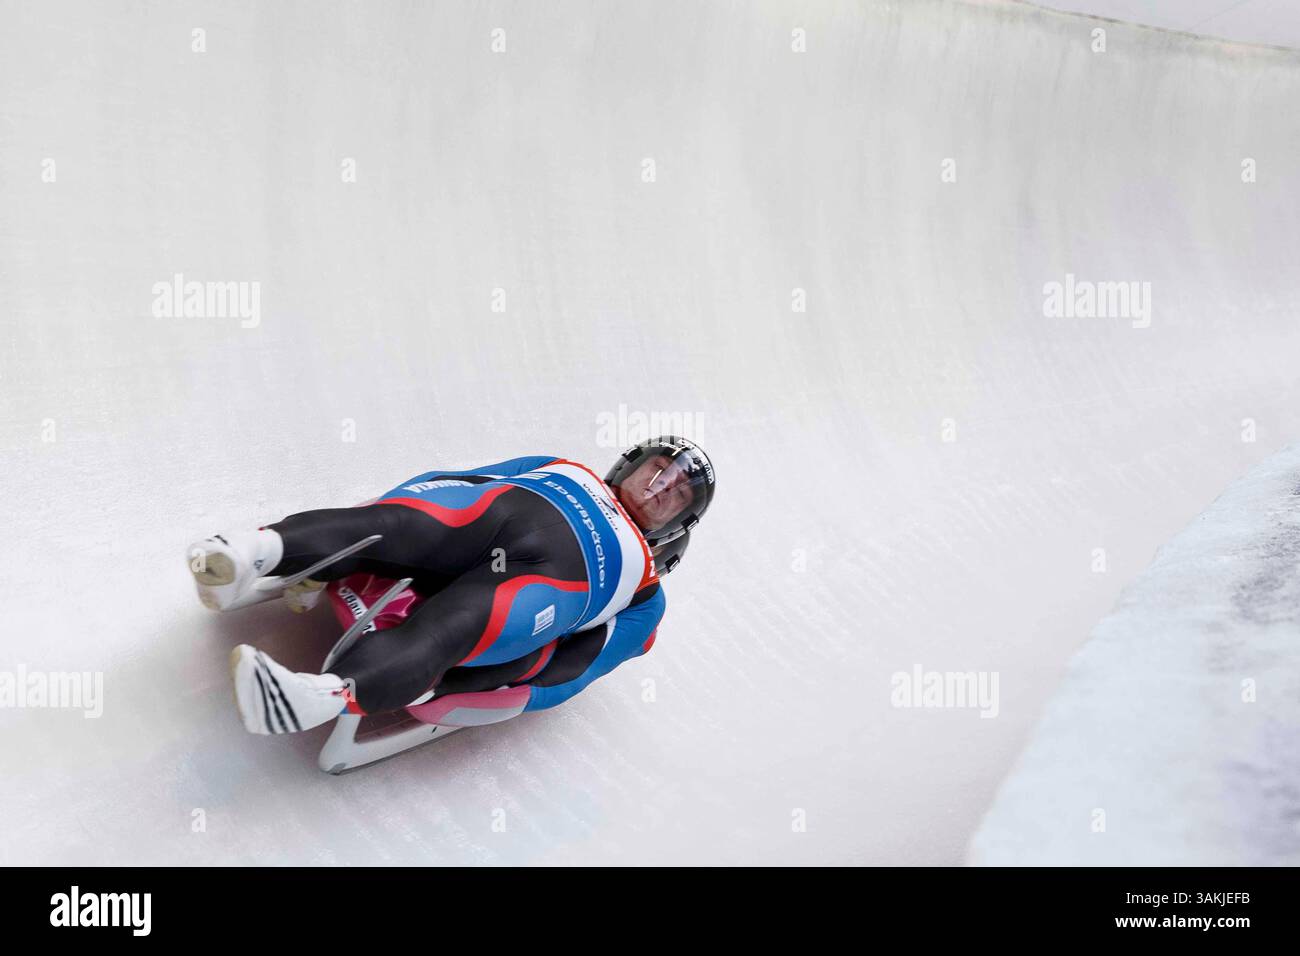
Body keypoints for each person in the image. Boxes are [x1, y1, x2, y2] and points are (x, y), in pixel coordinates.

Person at [188, 436, 715, 735]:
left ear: (677, 526)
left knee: (452, 629)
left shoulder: (646, 594)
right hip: (490, 518)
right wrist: (374, 521)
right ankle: (250, 553)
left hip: (540, 586)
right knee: (401, 526)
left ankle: (314, 698)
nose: (659, 486)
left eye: (674, 493)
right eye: (658, 469)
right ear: (632, 462)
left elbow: (577, 667)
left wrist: (488, 688)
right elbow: (461, 480)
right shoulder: (562, 467)